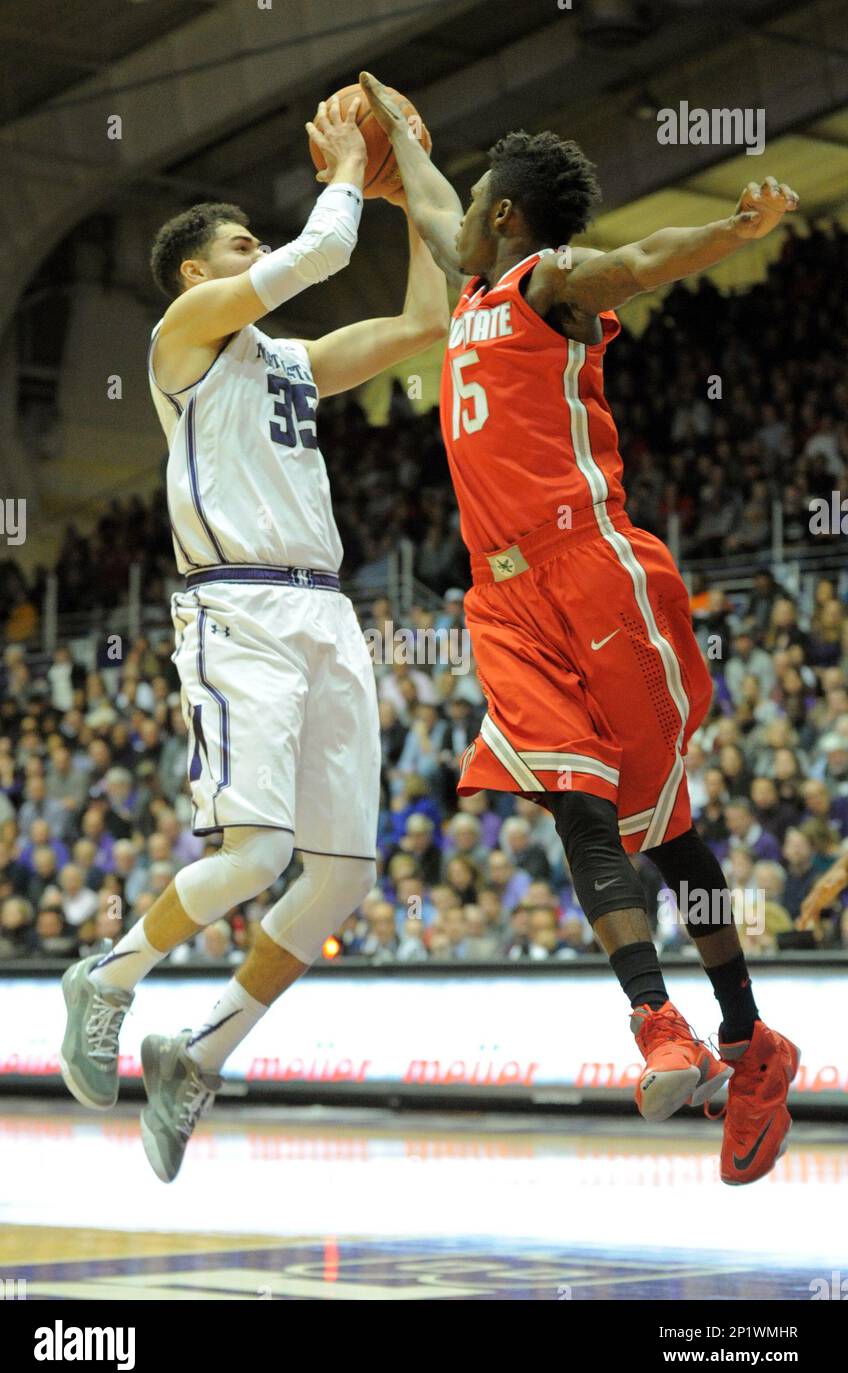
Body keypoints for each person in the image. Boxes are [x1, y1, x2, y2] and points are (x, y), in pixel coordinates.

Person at [360, 69, 800, 1187]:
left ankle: (751, 1041)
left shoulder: (543, 281)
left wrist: (733, 229)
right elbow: (421, 189)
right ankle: (663, 1027)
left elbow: (639, 265)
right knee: (575, 798)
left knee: (660, 829)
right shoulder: (471, 288)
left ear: (505, 214)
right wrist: (393, 121)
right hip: (501, 598)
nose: (454, 213)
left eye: (474, 201)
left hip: (592, 568)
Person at [58, 93, 449, 1183]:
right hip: (235, 607)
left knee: (340, 879)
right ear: (200, 274)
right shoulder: (178, 339)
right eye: (242, 246)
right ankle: (111, 973)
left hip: (324, 610)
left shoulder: (286, 363)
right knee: (260, 853)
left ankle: (197, 1054)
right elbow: (322, 248)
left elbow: (426, 321)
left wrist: (412, 186)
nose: (260, 252)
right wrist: (348, 163)